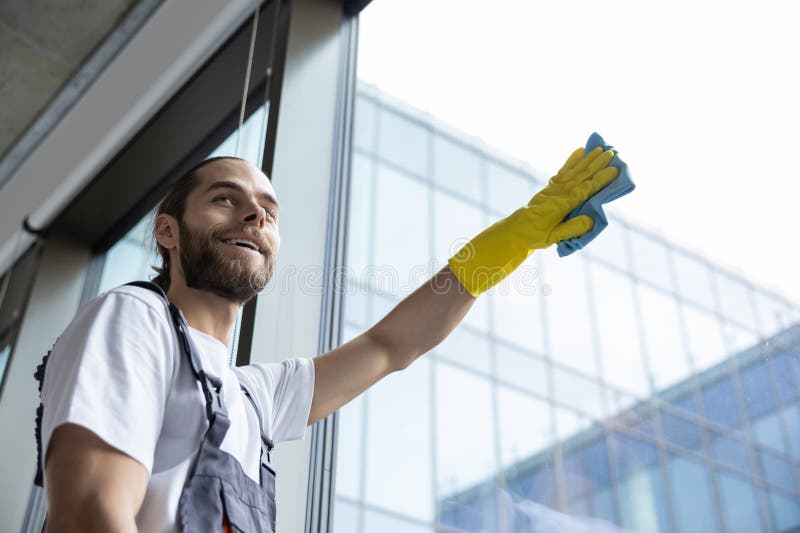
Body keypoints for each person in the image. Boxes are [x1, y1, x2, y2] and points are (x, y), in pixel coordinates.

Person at [38, 147, 617, 532]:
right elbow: (92, 509)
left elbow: (391, 346)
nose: (254, 218)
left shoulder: (249, 398)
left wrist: (514, 239)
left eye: (268, 211)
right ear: (168, 230)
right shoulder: (134, 318)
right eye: (225, 199)